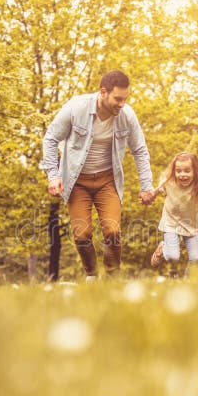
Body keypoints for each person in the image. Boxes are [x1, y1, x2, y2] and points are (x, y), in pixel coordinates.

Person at [41, 70, 156, 278]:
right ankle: (92, 275)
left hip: (107, 181)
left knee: (112, 231)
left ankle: (112, 279)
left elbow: (140, 150)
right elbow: (50, 139)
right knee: (82, 234)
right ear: (103, 92)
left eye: (125, 99)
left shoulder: (126, 115)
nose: (122, 104)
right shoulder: (76, 108)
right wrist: (53, 175)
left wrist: (146, 185)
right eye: (117, 99)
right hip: (77, 182)